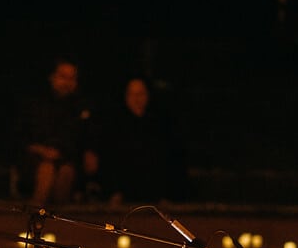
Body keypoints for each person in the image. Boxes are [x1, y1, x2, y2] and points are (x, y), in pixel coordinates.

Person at [91, 76, 187, 205]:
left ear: (148, 96)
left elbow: (170, 159)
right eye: (132, 94)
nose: (136, 98)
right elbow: (109, 160)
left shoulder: (160, 125)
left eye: (140, 94)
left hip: (155, 192)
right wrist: (114, 191)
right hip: (123, 191)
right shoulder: (114, 126)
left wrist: (166, 194)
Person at [19, 59, 97, 204]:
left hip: (69, 161)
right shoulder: (36, 105)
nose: (67, 82)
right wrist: (42, 151)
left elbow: (85, 139)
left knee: (65, 173)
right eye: (63, 77)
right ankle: (34, 218)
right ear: (52, 77)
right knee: (46, 170)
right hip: (36, 159)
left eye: (71, 78)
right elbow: (21, 137)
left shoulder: (81, 108)